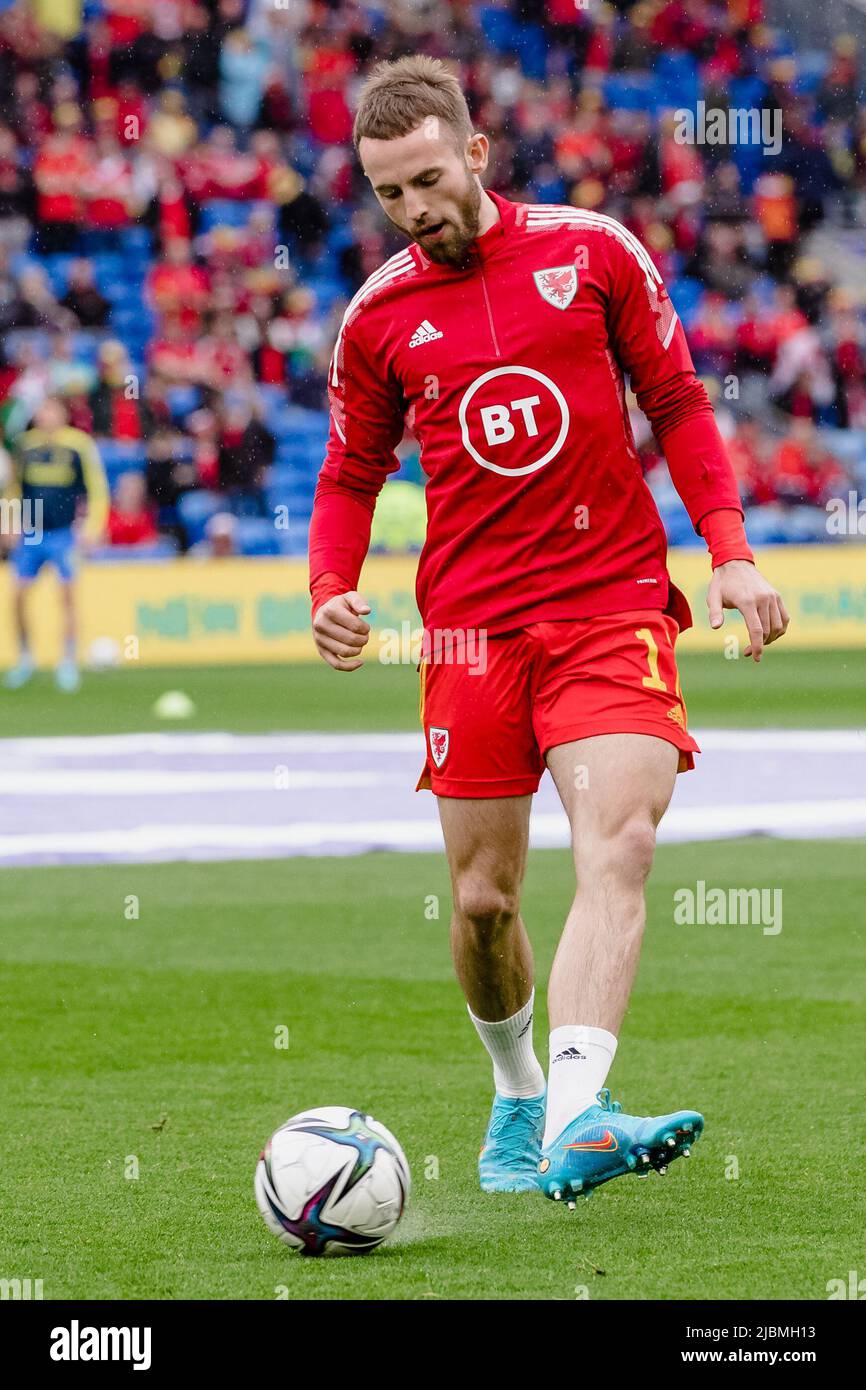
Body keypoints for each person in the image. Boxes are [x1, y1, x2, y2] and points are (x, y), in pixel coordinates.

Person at [308, 56, 790, 1205]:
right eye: (388, 195)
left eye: (427, 179)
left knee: (617, 839)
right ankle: (519, 1085)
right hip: (469, 633)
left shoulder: (593, 251)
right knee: (482, 902)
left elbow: (675, 399)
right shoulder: (377, 316)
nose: (414, 211)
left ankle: (580, 1109)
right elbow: (346, 472)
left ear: (473, 153)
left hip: (608, 603)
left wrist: (725, 550)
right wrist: (330, 581)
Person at [3, 396, 108, 692]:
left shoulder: (79, 445)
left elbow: (96, 489)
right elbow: (14, 489)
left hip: (64, 532)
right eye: (41, 409)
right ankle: (25, 658)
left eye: (50, 409)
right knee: (19, 596)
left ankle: (68, 661)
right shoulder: (25, 445)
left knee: (68, 596)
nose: (45, 414)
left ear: (63, 414)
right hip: (33, 529)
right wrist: (10, 522)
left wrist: (92, 527)